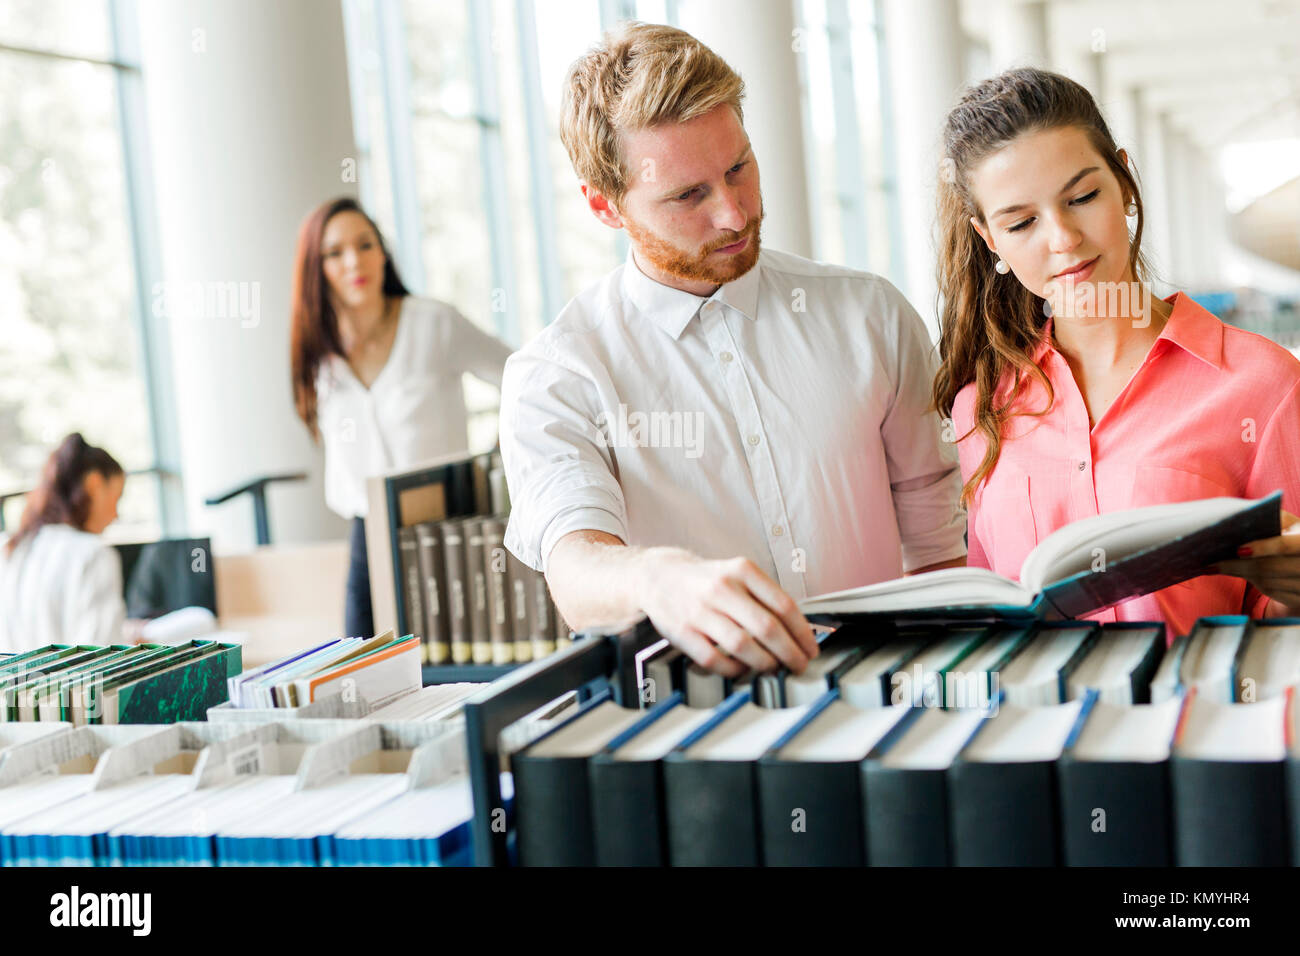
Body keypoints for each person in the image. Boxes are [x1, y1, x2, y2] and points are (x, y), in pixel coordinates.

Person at [499, 23, 966, 677]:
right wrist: (657, 580)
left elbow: (939, 541)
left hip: (890, 701)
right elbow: (575, 569)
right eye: (688, 195)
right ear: (605, 207)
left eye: (738, 168)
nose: (735, 214)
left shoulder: (871, 316)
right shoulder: (558, 376)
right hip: (702, 738)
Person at [933, 67, 1300, 640]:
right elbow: (990, 611)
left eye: (1082, 197)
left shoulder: (1264, 385)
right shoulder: (981, 409)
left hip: (1198, 718)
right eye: (1022, 222)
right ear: (989, 239)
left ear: (1124, 183)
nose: (1062, 239)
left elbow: (1280, 622)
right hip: (1032, 724)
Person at [290, 197, 514, 640]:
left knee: (453, 665)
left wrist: (494, 454)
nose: (354, 260)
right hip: (367, 537)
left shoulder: (433, 323)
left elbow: (523, 376)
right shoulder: (317, 353)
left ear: (382, 251)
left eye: (365, 244)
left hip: (444, 530)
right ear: (316, 270)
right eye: (334, 253)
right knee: (361, 668)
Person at [0, 433, 128, 651]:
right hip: (75, 685)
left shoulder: (11, 547)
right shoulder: (93, 554)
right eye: (116, 498)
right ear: (95, 484)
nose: (116, 514)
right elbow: (100, 660)